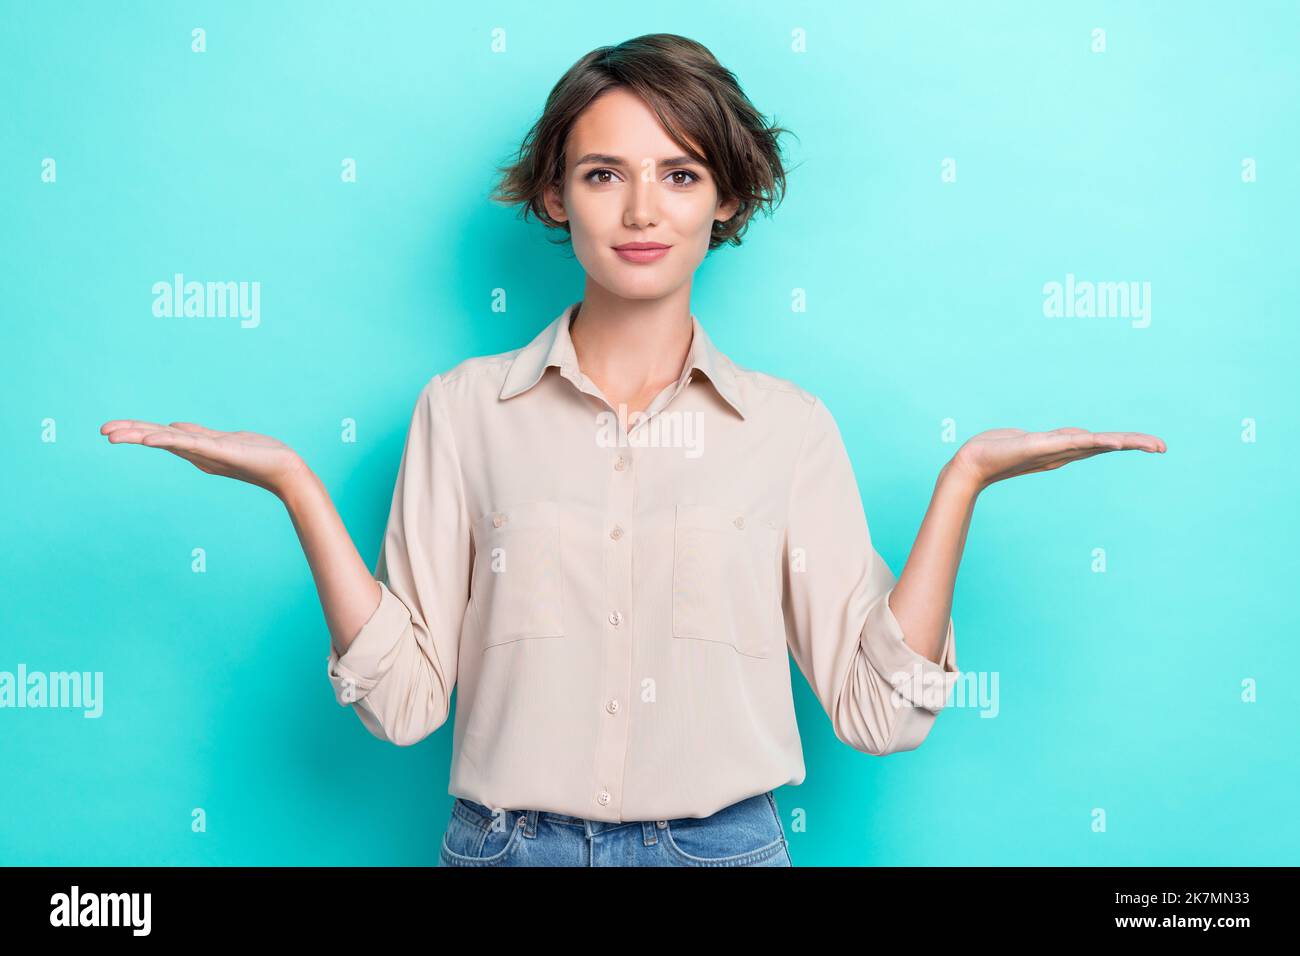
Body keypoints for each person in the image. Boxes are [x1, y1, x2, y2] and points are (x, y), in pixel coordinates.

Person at [100, 34, 1166, 867]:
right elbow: (406, 705)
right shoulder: (462, 408)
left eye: (682, 173)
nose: (644, 209)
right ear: (557, 196)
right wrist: (295, 486)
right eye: (605, 174)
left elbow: (879, 710)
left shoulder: (788, 429)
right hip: (501, 847)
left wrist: (963, 481)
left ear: (728, 197)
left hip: (723, 848)